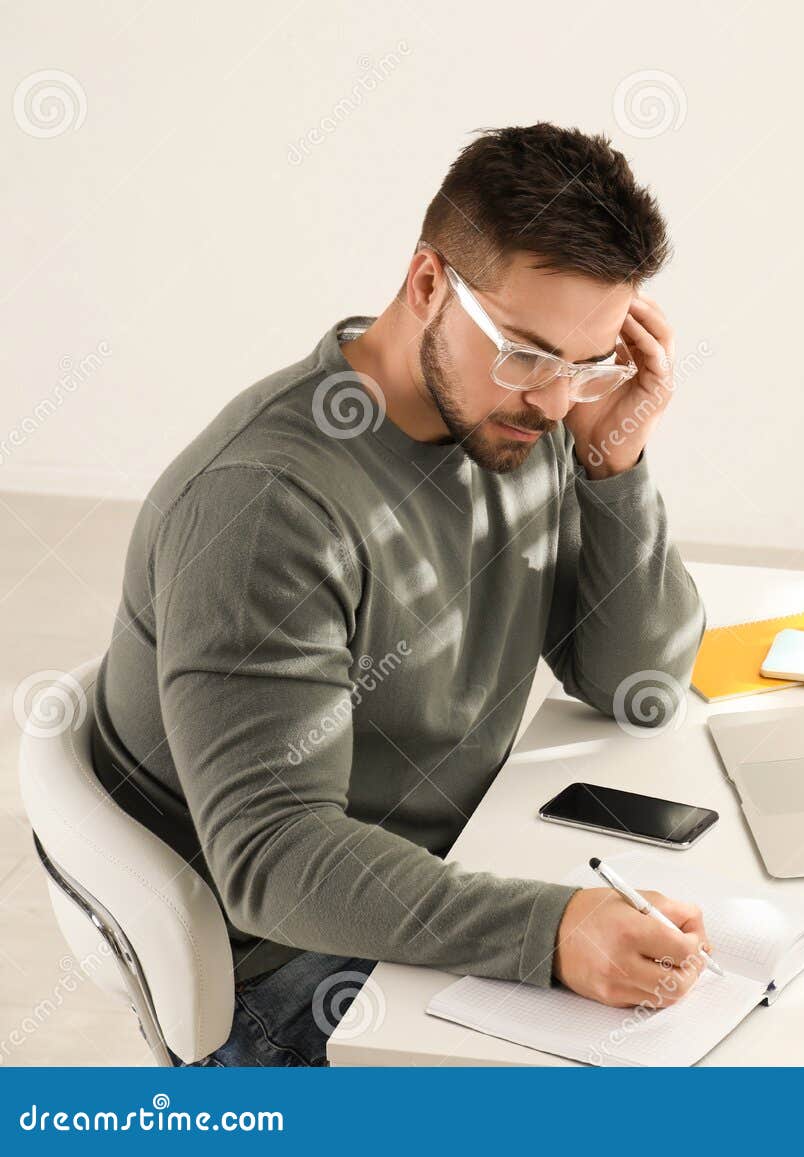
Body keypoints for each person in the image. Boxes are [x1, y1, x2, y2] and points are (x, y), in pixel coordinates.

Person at [88, 124, 711, 1065]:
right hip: (286, 976)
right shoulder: (268, 506)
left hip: (433, 881)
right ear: (427, 284)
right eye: (528, 352)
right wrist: (548, 932)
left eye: (586, 362)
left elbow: (636, 683)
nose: (552, 400)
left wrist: (613, 459)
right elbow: (274, 857)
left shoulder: (520, 423)